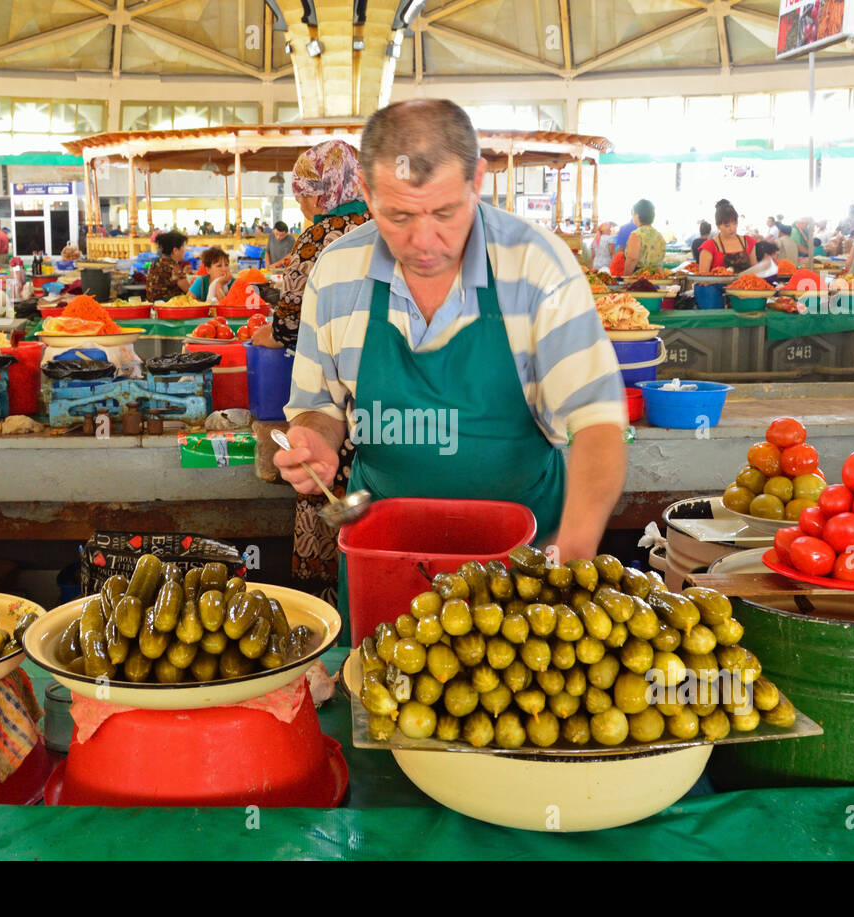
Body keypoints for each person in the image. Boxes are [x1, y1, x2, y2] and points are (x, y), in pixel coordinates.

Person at [272, 99, 627, 629]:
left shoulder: (535, 265)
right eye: (398, 216)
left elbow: (597, 423)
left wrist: (570, 552)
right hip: (387, 559)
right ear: (366, 193)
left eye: (444, 213)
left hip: (522, 555)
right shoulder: (338, 270)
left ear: (476, 180)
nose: (423, 242)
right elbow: (318, 405)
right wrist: (316, 440)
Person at [249, 140, 374, 601]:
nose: (301, 204)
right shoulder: (381, 227)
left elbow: (289, 321)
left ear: (324, 192)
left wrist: (271, 330)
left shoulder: (320, 238)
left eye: (305, 193)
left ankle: (332, 609)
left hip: (329, 400)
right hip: (379, 411)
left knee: (326, 496)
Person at [698, 199, 757, 273]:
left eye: (735, 223)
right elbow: (703, 278)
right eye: (727, 226)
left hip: (746, 284)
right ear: (718, 226)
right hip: (718, 284)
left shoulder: (748, 241)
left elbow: (755, 272)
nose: (732, 228)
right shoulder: (709, 246)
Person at [613, 199, 664, 277]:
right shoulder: (659, 235)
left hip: (640, 279)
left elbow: (632, 258)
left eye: (633, 214)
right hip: (657, 277)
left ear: (637, 215)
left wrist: (626, 278)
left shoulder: (637, 234)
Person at [146, 230, 194, 301]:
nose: (185, 250)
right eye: (183, 247)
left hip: (153, 305)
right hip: (168, 306)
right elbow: (190, 291)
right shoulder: (173, 267)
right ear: (175, 250)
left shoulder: (156, 262)